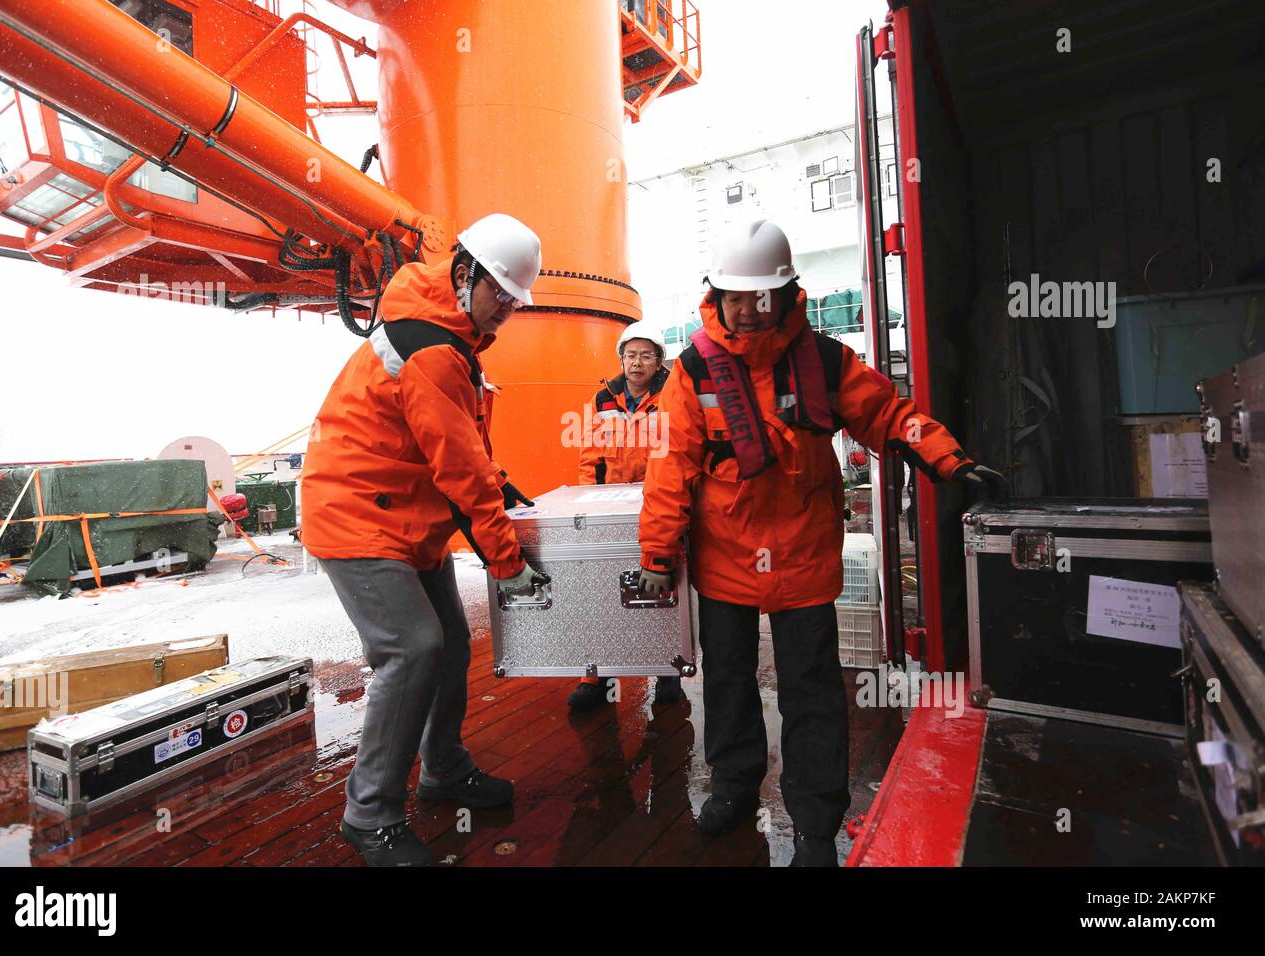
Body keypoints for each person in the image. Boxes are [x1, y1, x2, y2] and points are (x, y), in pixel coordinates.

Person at [637, 220, 1004, 867]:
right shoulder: (691, 372)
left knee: (811, 690)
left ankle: (814, 823)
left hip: (803, 560)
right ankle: (732, 785)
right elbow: (670, 470)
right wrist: (659, 556)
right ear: (715, 295)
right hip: (724, 562)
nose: (749, 310)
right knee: (726, 680)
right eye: (736, 296)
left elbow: (890, 414)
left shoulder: (827, 361)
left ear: (787, 294)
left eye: (762, 296)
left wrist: (948, 460)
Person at [300, 213, 550, 867]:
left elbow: (460, 448)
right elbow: (459, 470)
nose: (506, 313)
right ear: (465, 275)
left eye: (515, 303)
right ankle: (371, 813)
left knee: (450, 642)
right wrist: (507, 562)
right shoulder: (434, 349)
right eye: (502, 295)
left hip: (404, 516)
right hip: (358, 515)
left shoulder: (444, 337)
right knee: (412, 650)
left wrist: (502, 486)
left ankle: (443, 768)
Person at [569, 320, 682, 711]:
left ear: (658, 360)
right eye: (631, 355)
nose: (637, 363)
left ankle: (668, 670)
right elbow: (589, 458)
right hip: (608, 509)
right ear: (621, 359)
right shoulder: (602, 400)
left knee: (662, 590)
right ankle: (596, 676)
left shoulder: (674, 396)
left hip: (660, 505)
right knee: (601, 593)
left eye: (645, 355)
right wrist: (588, 503)